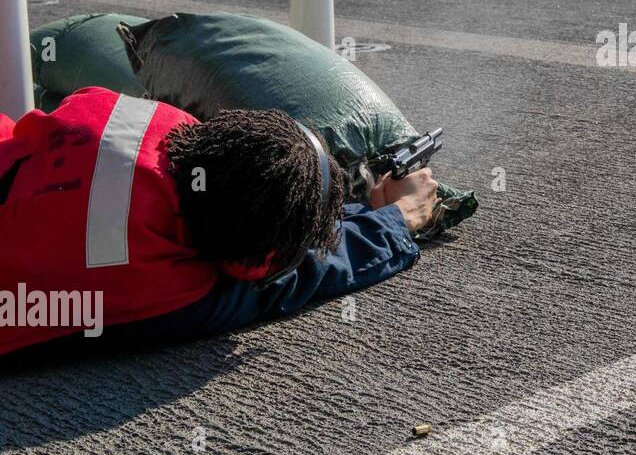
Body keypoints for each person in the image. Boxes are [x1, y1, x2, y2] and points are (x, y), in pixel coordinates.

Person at [0, 86, 441, 356]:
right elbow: (280, 284)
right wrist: (400, 220)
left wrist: (355, 209)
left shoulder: (161, 121)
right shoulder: (164, 287)